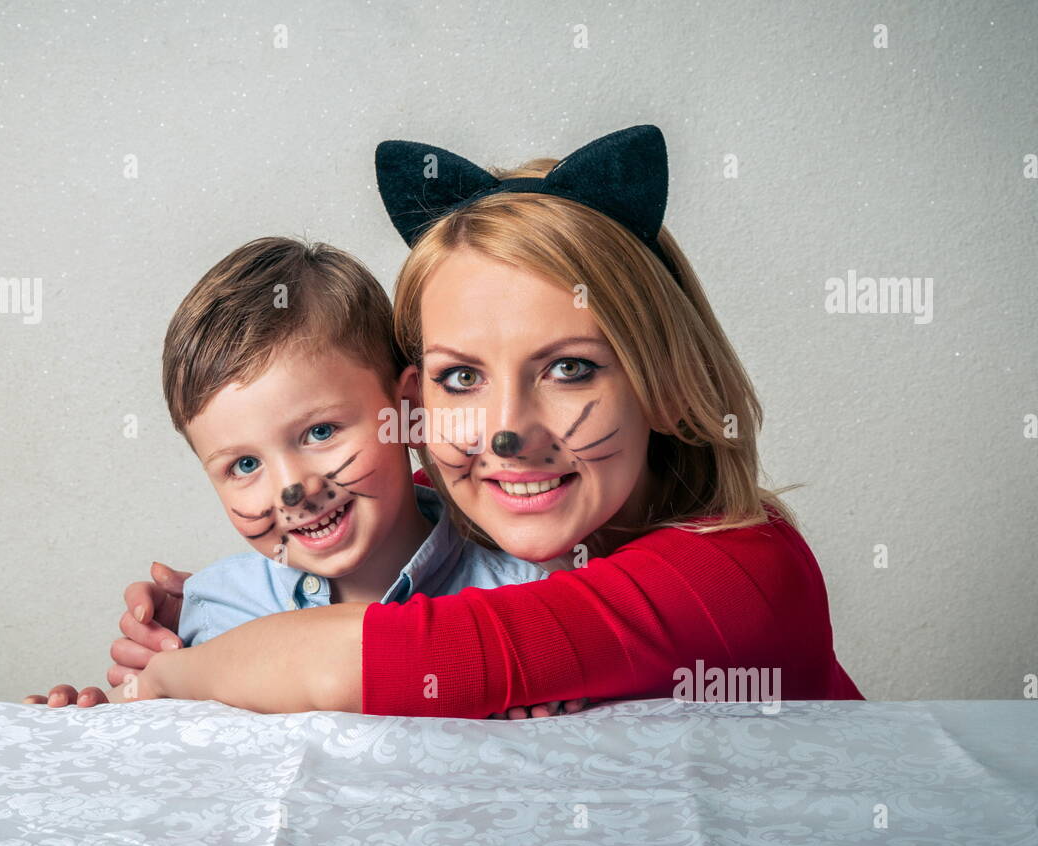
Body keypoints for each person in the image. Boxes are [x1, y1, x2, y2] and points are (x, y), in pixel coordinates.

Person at [97, 124, 866, 716]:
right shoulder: (470, 499)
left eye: (569, 369)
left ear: (665, 383)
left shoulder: (740, 570)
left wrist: (175, 675)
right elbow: (361, 588)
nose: (507, 433)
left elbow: (364, 658)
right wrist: (221, 606)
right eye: (461, 377)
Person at [23, 236, 558, 712]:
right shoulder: (213, 609)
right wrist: (91, 720)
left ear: (409, 410)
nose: (292, 488)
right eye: (244, 465)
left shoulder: (527, 599)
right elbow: (159, 740)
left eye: (320, 432)